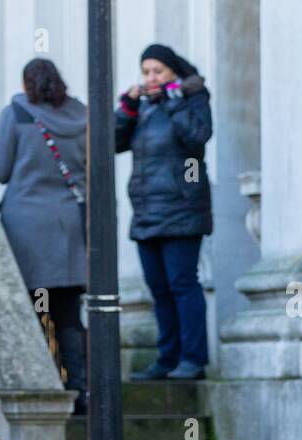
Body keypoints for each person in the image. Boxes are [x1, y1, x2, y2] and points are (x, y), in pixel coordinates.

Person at [0, 57, 88, 414]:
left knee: (29, 311)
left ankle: (39, 386)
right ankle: (80, 390)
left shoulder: (15, 112)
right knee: (69, 316)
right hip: (69, 226)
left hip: (26, 227)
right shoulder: (83, 114)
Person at [118, 43, 214, 382]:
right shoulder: (144, 109)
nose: (151, 77)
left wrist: (173, 100)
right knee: (158, 289)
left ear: (173, 71)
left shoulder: (193, 98)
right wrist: (127, 107)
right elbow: (113, 142)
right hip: (146, 212)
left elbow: (197, 135)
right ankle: (167, 358)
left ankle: (193, 359)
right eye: (146, 72)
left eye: (157, 71)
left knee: (183, 284)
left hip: (182, 210)